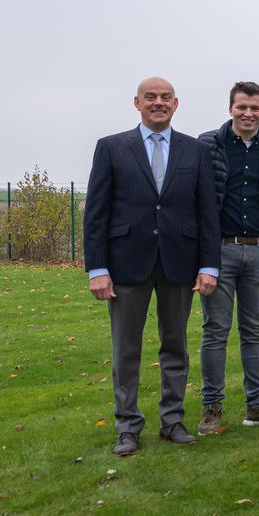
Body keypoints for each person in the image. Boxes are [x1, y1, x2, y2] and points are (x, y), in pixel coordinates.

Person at [84, 76, 220, 456]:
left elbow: (207, 212)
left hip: (180, 262)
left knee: (175, 346)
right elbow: (96, 213)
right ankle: (127, 425)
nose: (158, 103)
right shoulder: (112, 148)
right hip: (126, 264)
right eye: (150, 97)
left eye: (165, 98)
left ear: (176, 104)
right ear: (137, 103)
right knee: (126, 349)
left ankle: (172, 421)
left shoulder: (195, 151)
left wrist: (210, 265)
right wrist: (97, 269)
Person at [195, 81, 259, 435]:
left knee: (254, 331)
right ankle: (212, 407)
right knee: (216, 331)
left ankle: (257, 405)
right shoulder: (207, 145)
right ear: (230, 109)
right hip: (218, 250)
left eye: (255, 108)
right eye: (242, 107)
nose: (248, 114)